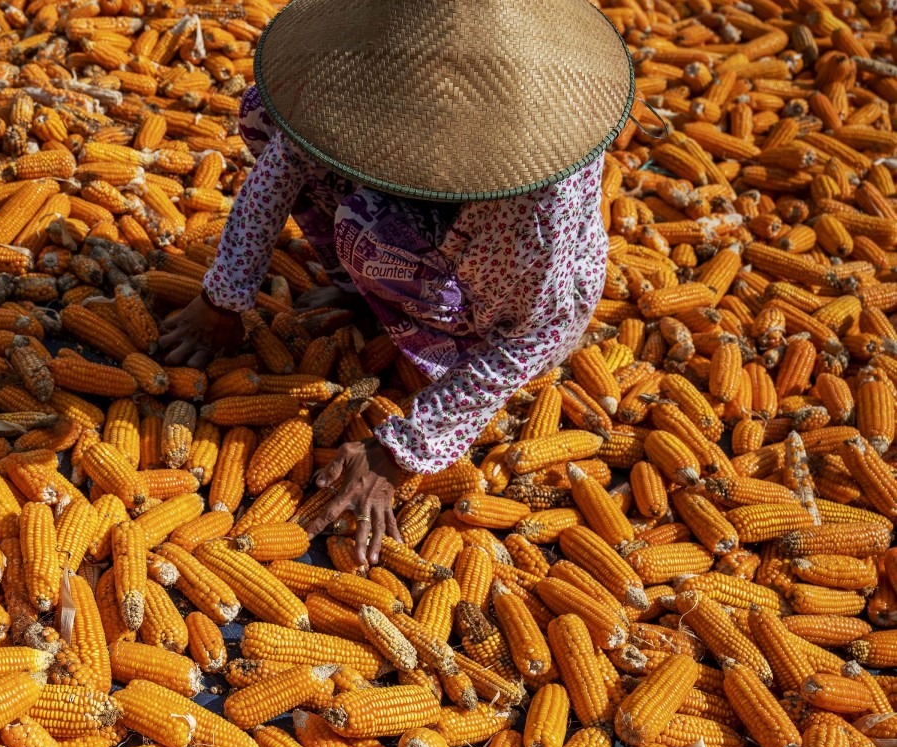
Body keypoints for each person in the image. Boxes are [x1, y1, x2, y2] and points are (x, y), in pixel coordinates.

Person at [160, 0, 637, 563]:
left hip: (501, 295)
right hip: (447, 222)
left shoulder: (531, 214)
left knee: (368, 231)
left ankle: (420, 320)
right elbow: (286, 156)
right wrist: (225, 296)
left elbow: (540, 333)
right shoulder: (365, 68)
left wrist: (403, 450)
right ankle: (367, 287)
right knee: (272, 111)